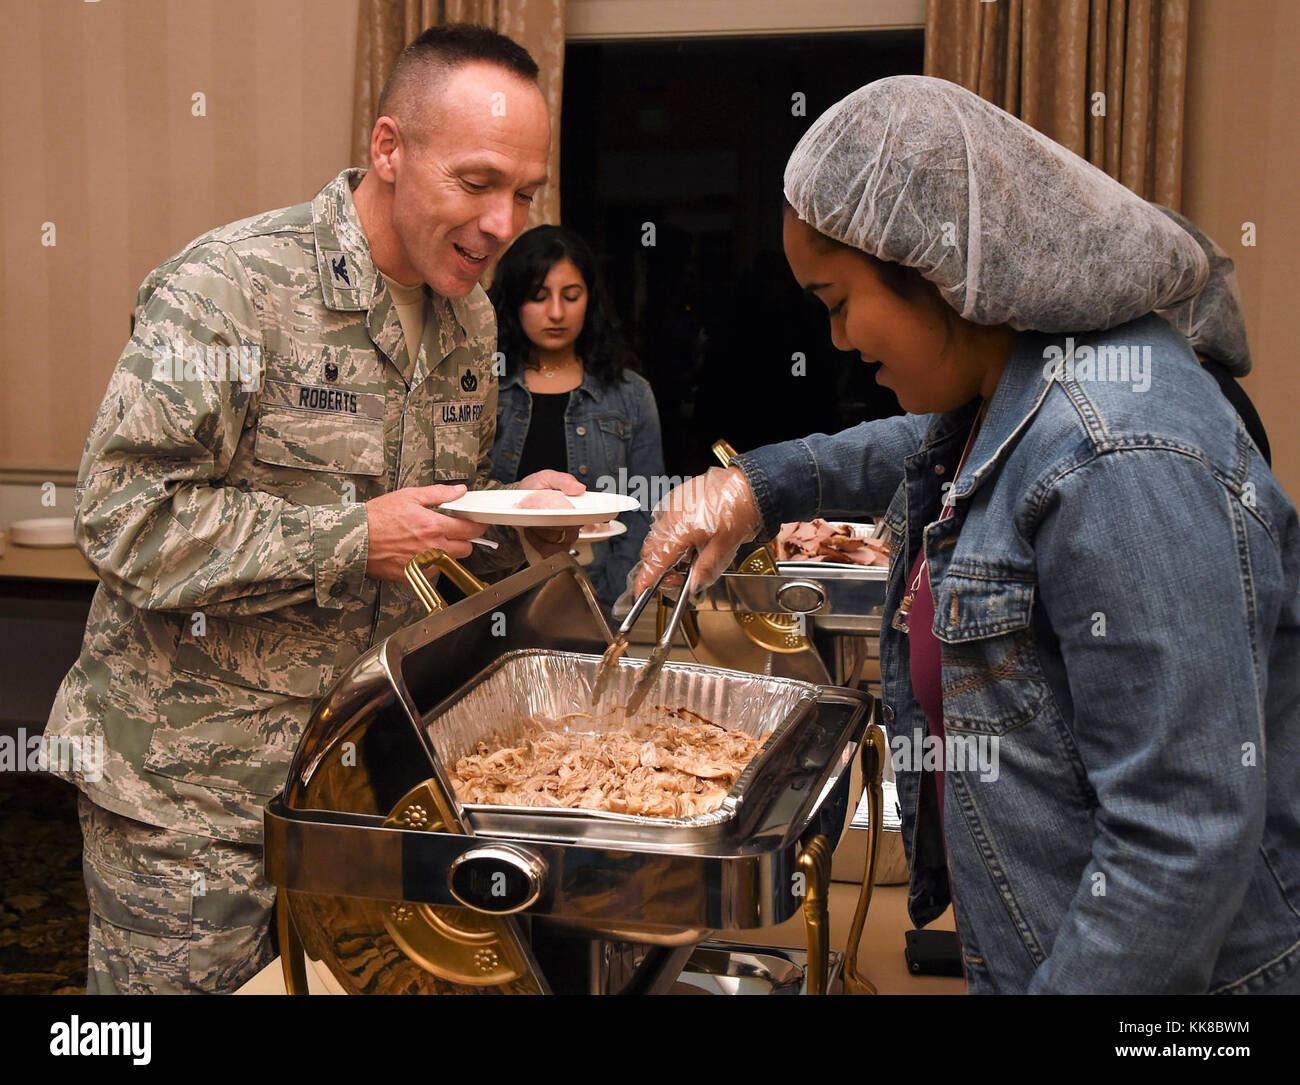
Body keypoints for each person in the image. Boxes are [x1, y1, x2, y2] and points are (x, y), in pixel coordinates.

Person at [632, 76, 1300, 994]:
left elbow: (1178, 841)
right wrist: (755, 485)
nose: (834, 340)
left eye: (837, 302)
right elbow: (922, 444)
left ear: (933, 267)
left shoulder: (1123, 455)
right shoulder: (1018, 386)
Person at [45, 24, 583, 994]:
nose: (504, 222)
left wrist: (517, 532)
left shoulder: (468, 317)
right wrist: (351, 535)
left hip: (353, 795)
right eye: (476, 182)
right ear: (388, 148)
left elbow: (433, 534)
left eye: (525, 194)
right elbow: (125, 515)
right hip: (188, 802)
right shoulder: (233, 289)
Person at [488, 225, 664, 610]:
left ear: (591, 299)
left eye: (571, 296)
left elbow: (644, 508)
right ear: (514, 302)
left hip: (593, 596)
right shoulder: (484, 388)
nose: (556, 312)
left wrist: (613, 601)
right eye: (538, 297)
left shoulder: (630, 395)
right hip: (487, 597)